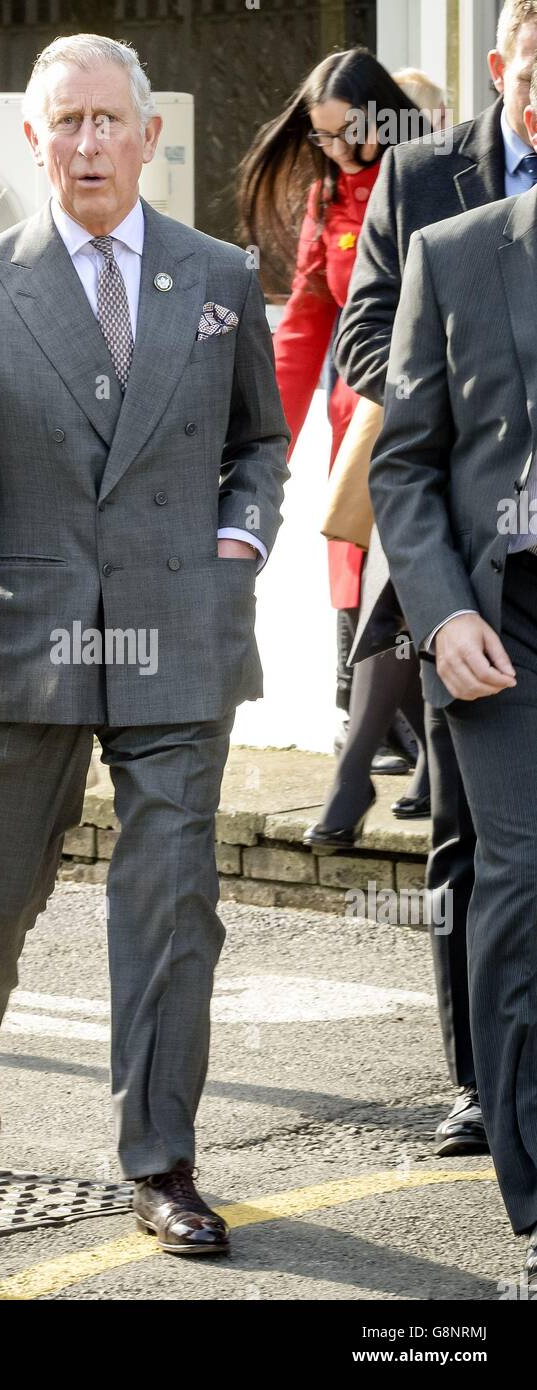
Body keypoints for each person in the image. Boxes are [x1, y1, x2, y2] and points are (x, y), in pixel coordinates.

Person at [0, 32, 289, 1256]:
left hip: (180, 629)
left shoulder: (218, 271)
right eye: (63, 123)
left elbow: (260, 443)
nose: (87, 143)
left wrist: (242, 536)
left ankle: (160, 1159)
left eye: (107, 120)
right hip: (28, 632)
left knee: (171, 904)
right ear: (32, 141)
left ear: (150, 136)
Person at [336, 0, 537, 1157]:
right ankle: (488, 1094)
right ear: (503, 69)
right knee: (488, 851)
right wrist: (459, 375)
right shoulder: (426, 194)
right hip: (475, 574)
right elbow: (380, 357)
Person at [236, 49, 430, 845]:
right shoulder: (328, 192)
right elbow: (308, 319)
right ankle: (425, 768)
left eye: (346, 134)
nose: (336, 151)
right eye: (320, 139)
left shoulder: (430, 175)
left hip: (424, 424)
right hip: (361, 431)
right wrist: (263, 446)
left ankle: (353, 783)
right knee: (385, 598)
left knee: (400, 593)